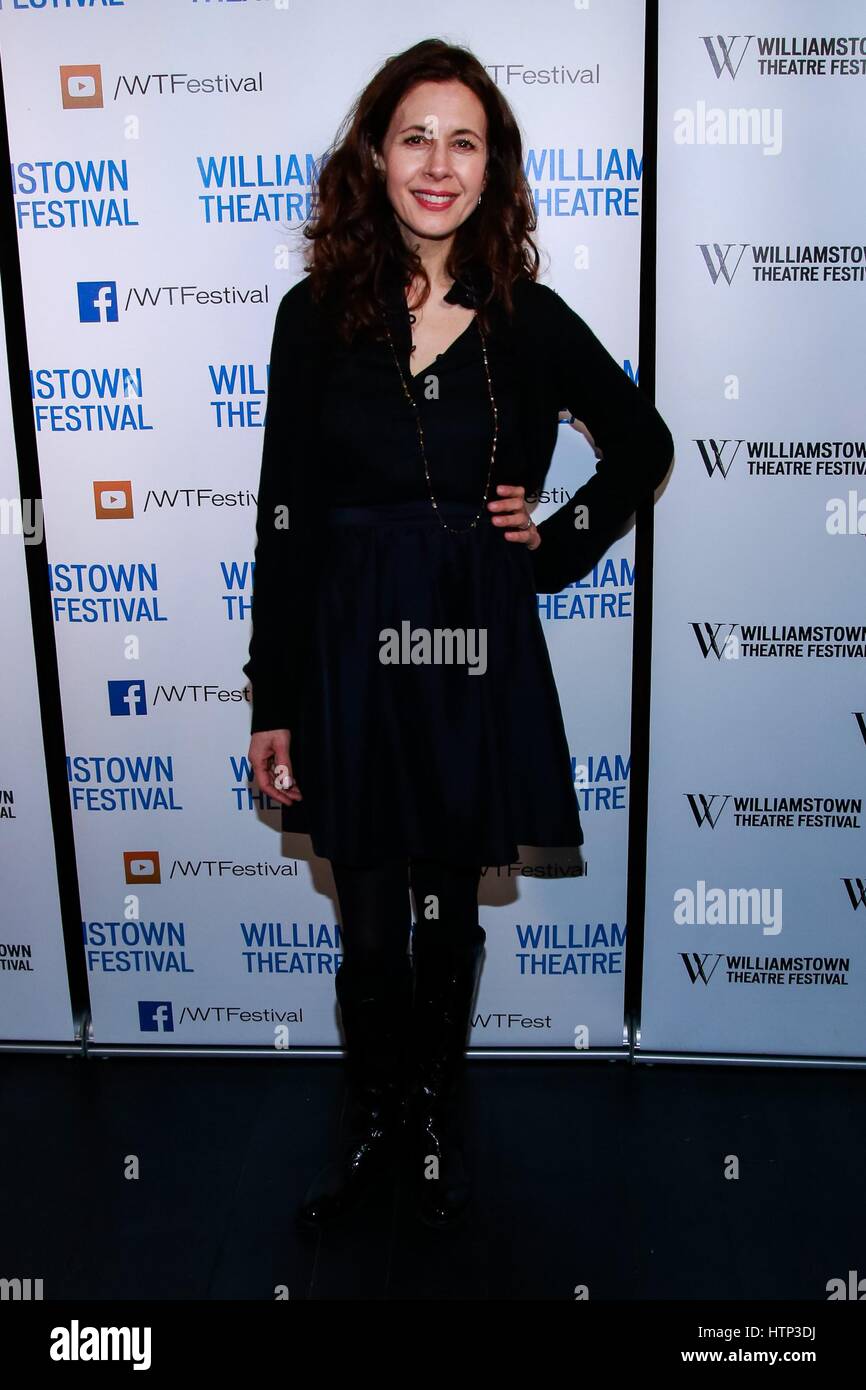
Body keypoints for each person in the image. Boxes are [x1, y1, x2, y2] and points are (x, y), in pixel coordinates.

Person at [243, 38, 673, 1232]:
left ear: (493, 169)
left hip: (470, 645)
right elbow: (281, 514)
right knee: (368, 914)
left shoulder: (525, 319)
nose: (437, 163)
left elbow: (640, 444)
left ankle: (432, 1118)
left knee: (443, 907)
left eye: (463, 140)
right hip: (347, 649)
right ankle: (375, 1121)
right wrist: (269, 696)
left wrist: (555, 537)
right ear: (375, 155)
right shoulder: (314, 317)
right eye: (415, 135)